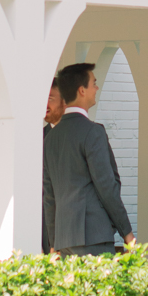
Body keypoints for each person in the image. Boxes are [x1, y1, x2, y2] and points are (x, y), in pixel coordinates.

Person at [43, 62, 135, 256]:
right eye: (93, 83)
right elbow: (107, 186)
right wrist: (127, 233)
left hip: (63, 239)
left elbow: (49, 195)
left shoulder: (50, 137)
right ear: (81, 90)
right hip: (93, 236)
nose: (97, 88)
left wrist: (53, 242)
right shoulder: (93, 132)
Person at [41, 79, 66, 254]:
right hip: (42, 225)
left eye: (50, 98)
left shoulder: (81, 133)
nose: (45, 104)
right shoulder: (36, 136)